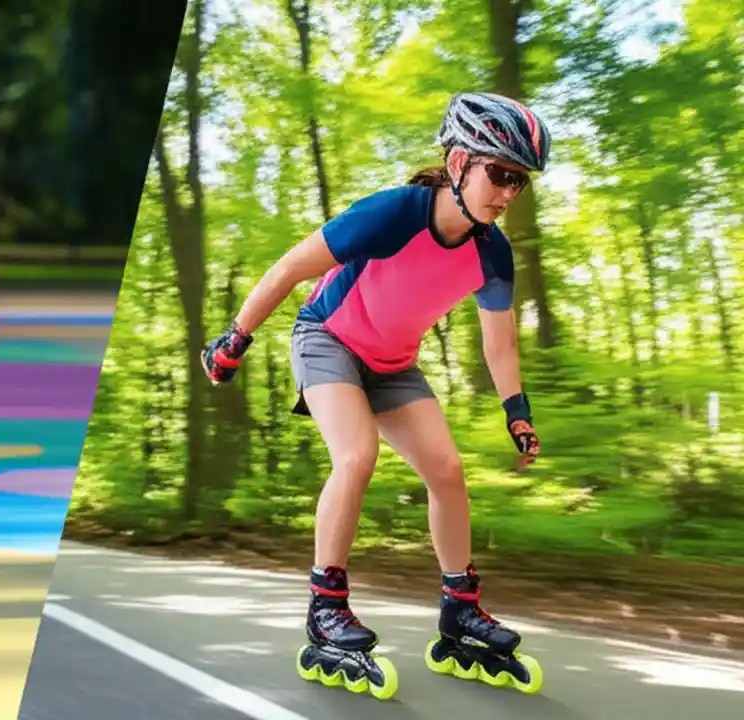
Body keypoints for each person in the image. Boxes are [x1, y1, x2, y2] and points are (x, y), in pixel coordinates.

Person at [201, 91, 548, 695]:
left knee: (446, 468)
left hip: (392, 364)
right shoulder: (394, 214)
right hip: (327, 340)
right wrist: (235, 339)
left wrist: (517, 415)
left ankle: (459, 610)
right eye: (500, 173)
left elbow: (501, 347)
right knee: (357, 455)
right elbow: (289, 268)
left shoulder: (492, 253)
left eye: (519, 180)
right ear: (460, 161)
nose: (509, 192)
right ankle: (326, 608)